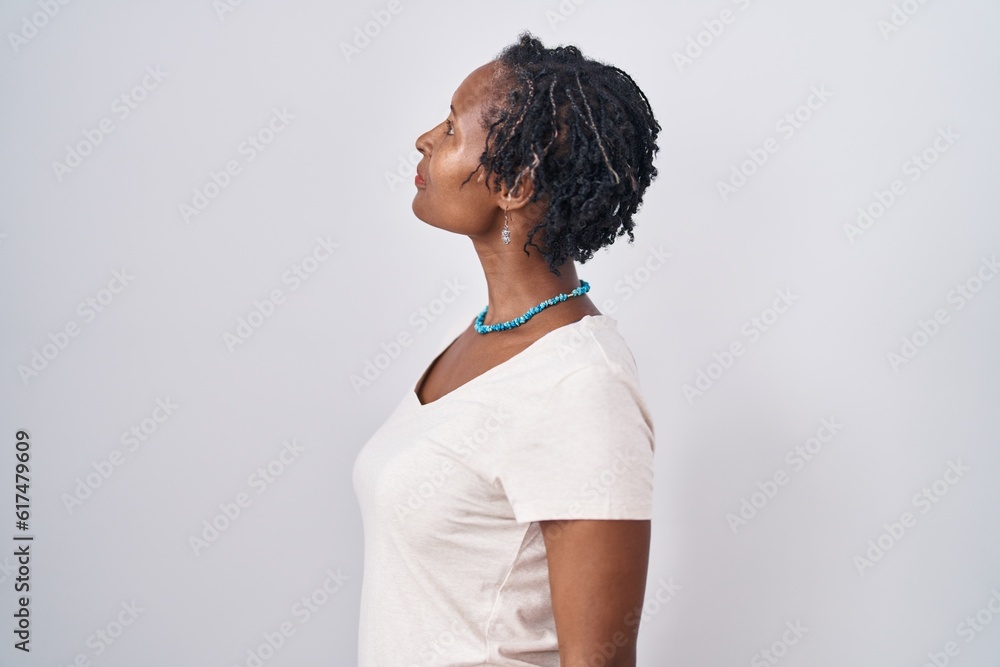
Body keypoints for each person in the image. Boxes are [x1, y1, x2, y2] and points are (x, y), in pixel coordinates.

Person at [352, 31, 661, 667]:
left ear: (515, 184)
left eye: (450, 128)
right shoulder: (482, 336)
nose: (423, 140)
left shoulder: (581, 385)